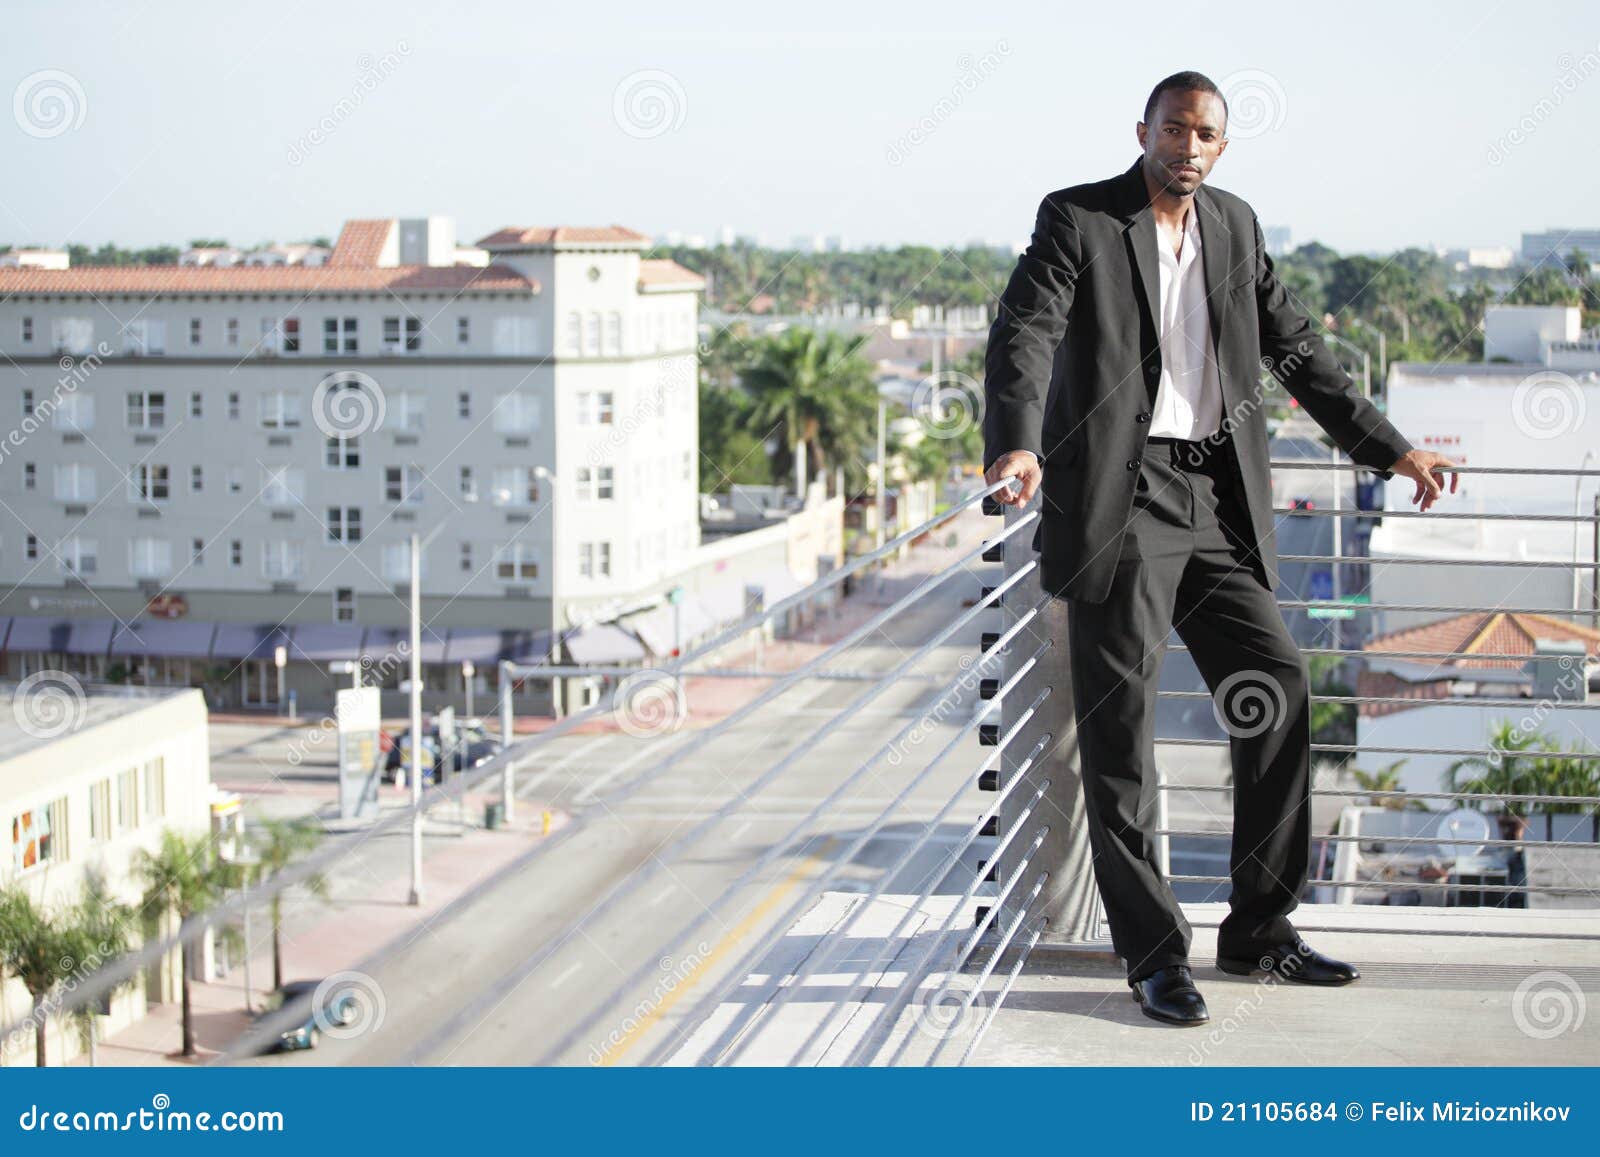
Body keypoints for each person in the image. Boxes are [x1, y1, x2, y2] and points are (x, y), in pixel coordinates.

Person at [981, 71, 1458, 1026]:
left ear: (1222, 145)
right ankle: (1155, 956)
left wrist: (1390, 447)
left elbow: (1299, 352)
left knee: (1278, 684)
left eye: (1205, 134)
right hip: (1120, 500)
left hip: (1214, 497)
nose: (1187, 146)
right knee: (1123, 736)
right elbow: (1025, 330)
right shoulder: (1078, 218)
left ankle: (1261, 929)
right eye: (1173, 129)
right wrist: (1018, 441)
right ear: (1144, 131)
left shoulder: (1236, 226)